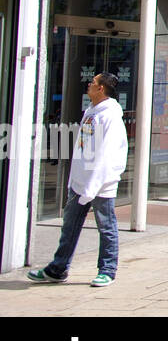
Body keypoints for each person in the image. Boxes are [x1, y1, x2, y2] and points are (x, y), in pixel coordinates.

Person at [28, 74, 129, 287]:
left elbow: (107, 153)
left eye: (93, 83)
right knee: (69, 227)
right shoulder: (91, 112)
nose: (89, 85)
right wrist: (75, 179)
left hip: (101, 183)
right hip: (80, 182)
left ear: (101, 89)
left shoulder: (110, 116)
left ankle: (107, 270)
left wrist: (93, 185)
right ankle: (58, 269)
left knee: (106, 226)